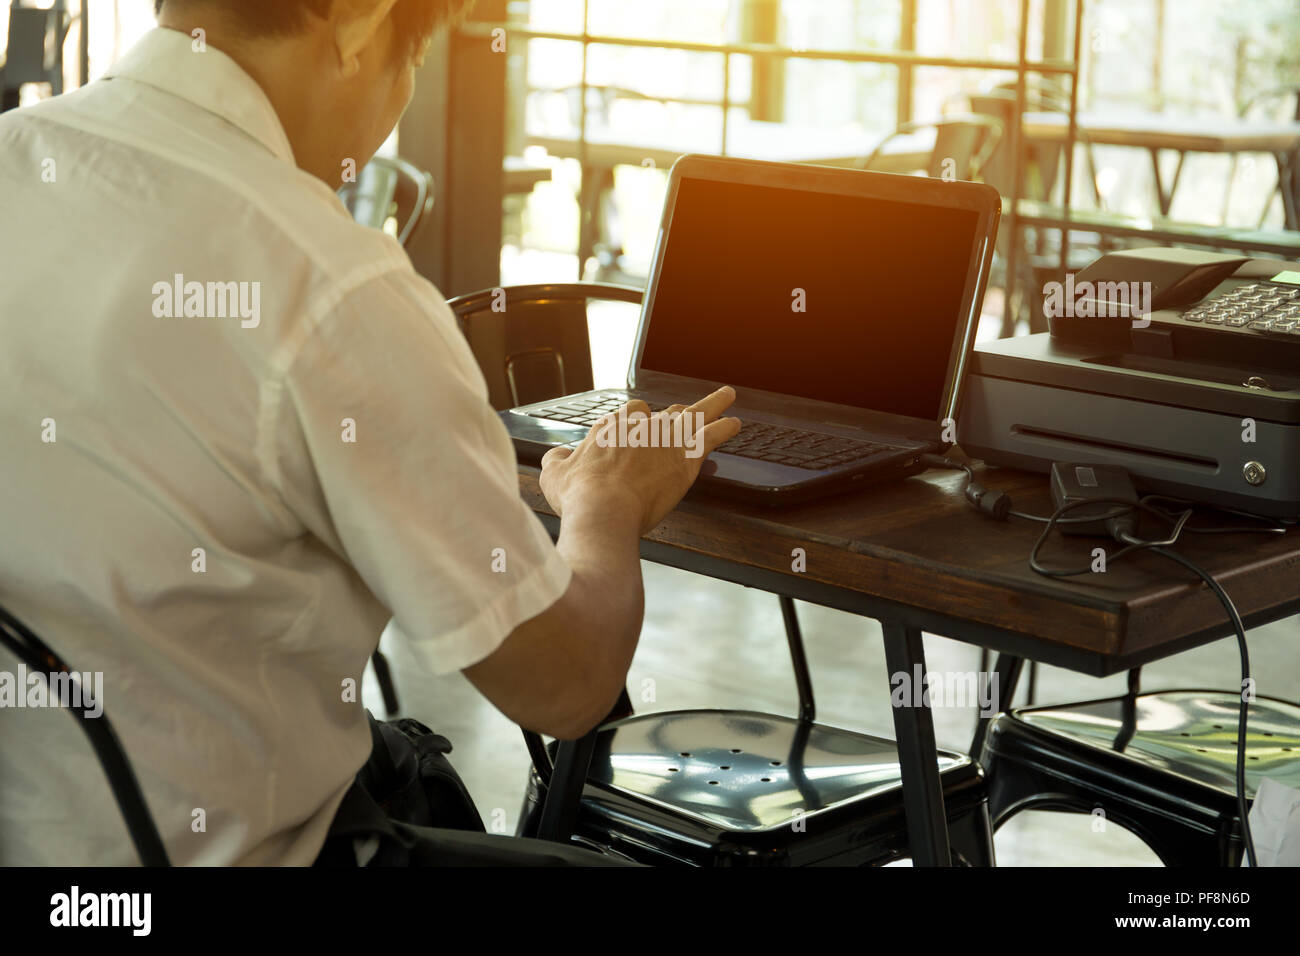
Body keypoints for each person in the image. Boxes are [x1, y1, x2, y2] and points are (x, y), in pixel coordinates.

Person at [0, 0, 740, 865]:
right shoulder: (325, 286)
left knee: (408, 772)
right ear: (359, 24)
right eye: (414, 58)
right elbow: (567, 683)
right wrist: (605, 504)